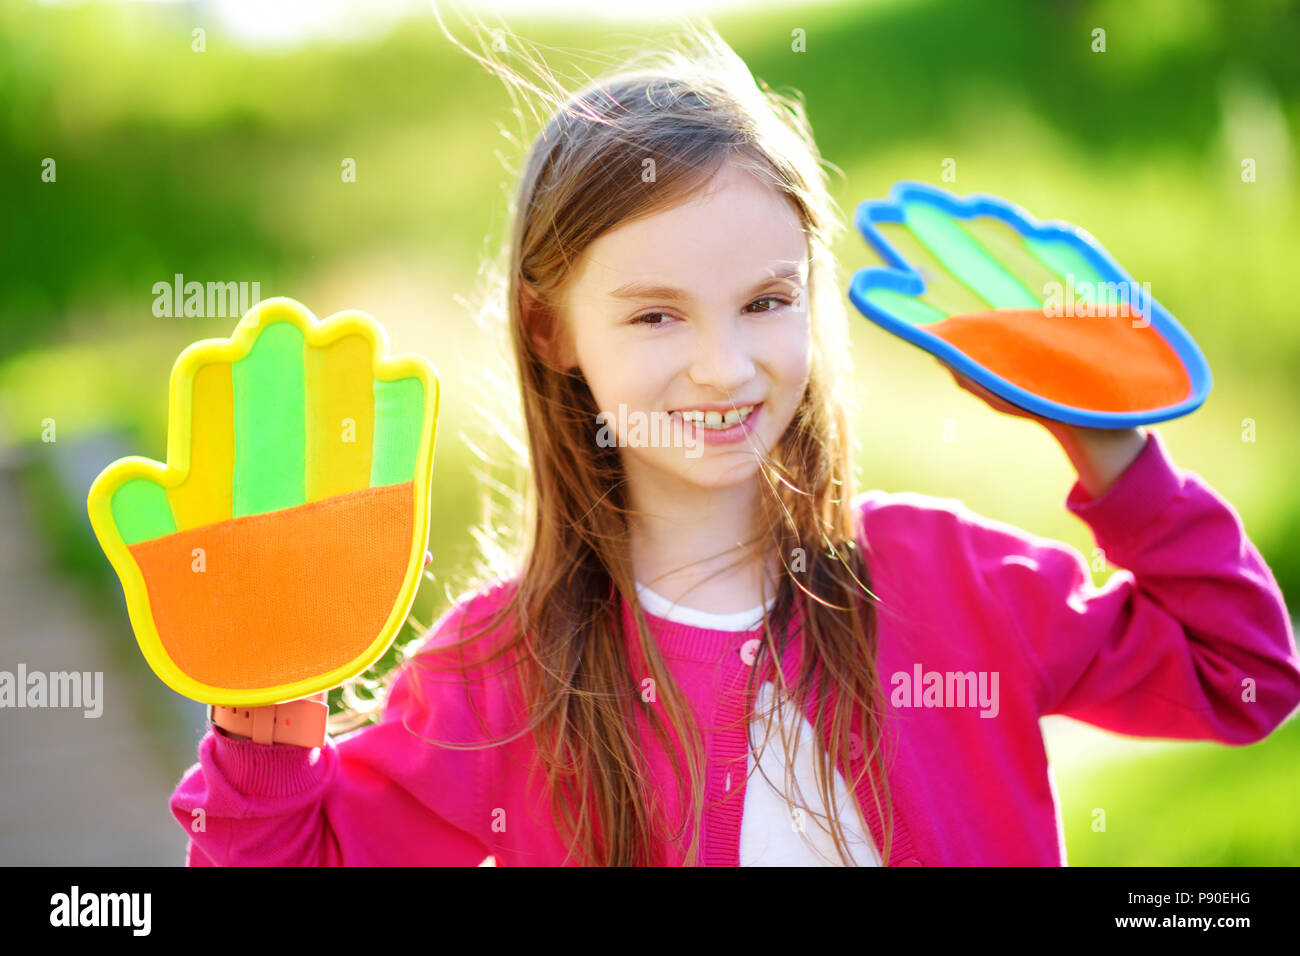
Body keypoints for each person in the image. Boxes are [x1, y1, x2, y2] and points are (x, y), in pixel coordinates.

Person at [170, 20, 1300, 867]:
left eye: (766, 300)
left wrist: (1108, 447)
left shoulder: (948, 584)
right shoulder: (506, 674)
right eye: (656, 314)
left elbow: (1243, 677)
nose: (724, 364)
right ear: (549, 328)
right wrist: (265, 696)